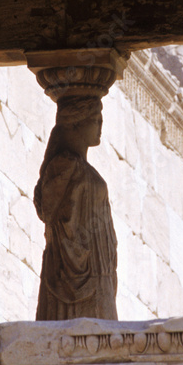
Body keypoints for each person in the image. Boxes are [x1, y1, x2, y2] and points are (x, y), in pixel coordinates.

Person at [34, 96, 118, 320]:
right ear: (77, 122)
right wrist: (77, 249)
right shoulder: (65, 164)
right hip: (78, 273)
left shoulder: (82, 167)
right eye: (95, 119)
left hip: (100, 271)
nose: (100, 126)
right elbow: (50, 211)